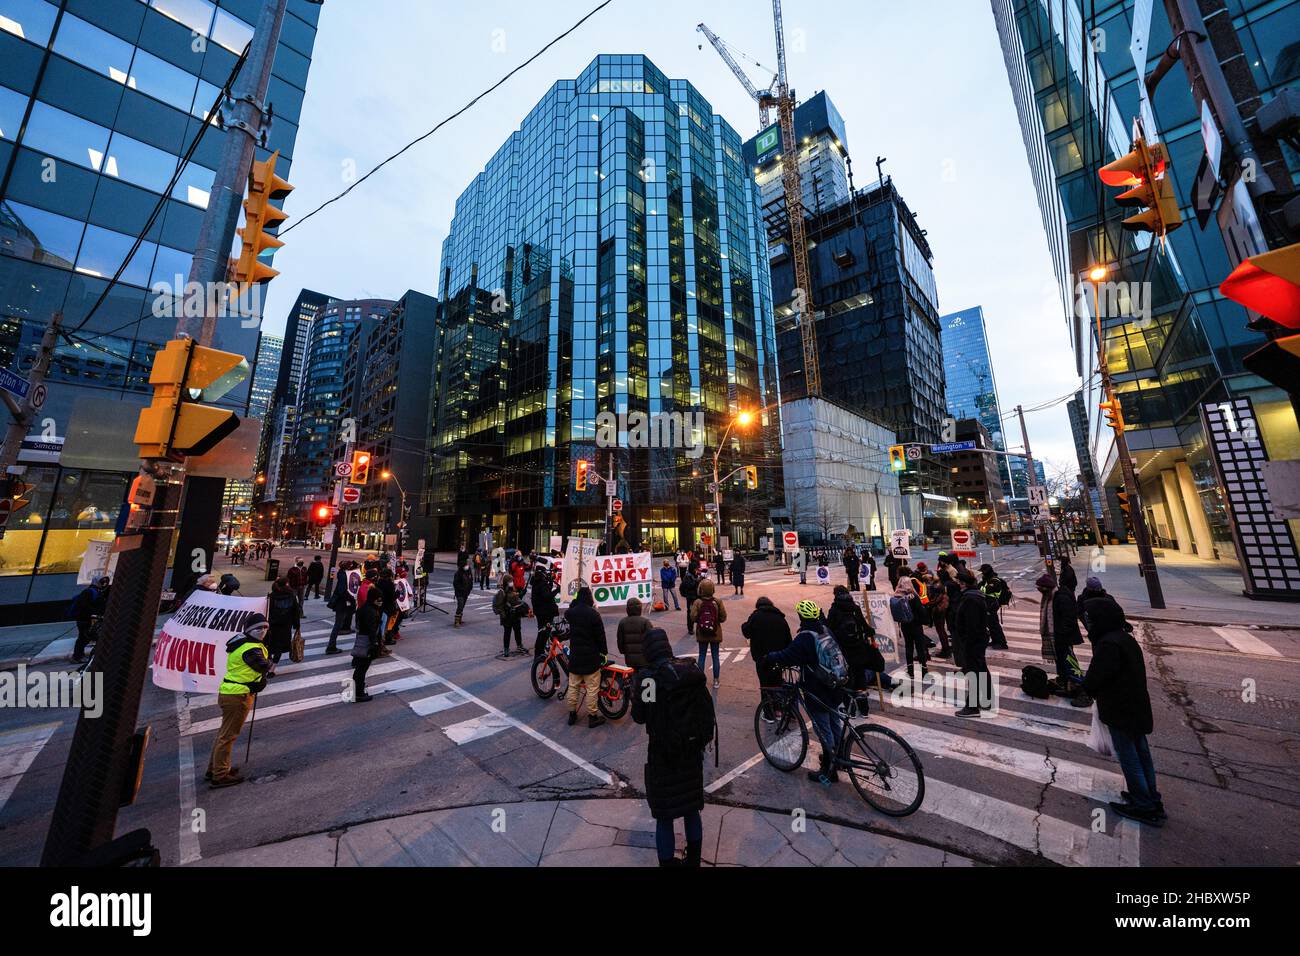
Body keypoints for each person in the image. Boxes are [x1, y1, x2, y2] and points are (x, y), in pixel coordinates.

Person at [1081, 596, 1164, 826]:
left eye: (1090, 618)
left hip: (1121, 708)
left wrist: (1086, 686)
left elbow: (1096, 677)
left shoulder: (1108, 644)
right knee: (1141, 753)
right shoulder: (1124, 639)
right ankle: (1150, 797)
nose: (1088, 622)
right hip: (1135, 705)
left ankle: (1144, 805)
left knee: (1129, 757)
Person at [632, 626, 708, 866]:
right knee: (691, 808)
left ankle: (667, 862)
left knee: (664, 815)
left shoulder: (649, 680)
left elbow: (640, 716)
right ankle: (693, 859)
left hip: (663, 754)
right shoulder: (689, 672)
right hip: (691, 751)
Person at [762, 600, 850, 786]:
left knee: (823, 729)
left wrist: (769, 657)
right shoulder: (825, 630)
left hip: (818, 689)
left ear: (802, 617)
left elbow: (787, 656)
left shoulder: (805, 637)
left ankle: (828, 770)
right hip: (836, 684)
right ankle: (840, 756)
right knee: (835, 722)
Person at [207, 613, 272, 788]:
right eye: (260, 628)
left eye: (266, 627)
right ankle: (219, 775)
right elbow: (263, 665)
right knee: (228, 736)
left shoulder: (241, 642)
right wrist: (270, 665)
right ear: (251, 629)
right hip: (239, 695)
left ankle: (215, 768)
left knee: (224, 733)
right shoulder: (250, 648)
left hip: (230, 692)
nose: (263, 631)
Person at [564, 587, 608, 727]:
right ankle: (592, 716)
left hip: (575, 657)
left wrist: (574, 603)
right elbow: (601, 636)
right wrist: (604, 652)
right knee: (592, 689)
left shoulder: (572, 613)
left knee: (573, 687)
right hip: (591, 658)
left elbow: (568, 612)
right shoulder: (594, 614)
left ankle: (572, 714)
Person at [953, 570, 992, 717]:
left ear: (964, 584)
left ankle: (972, 707)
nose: (958, 585)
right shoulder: (974, 596)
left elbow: (972, 625)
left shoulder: (970, 599)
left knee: (974, 672)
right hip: (977, 641)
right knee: (981, 669)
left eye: (959, 583)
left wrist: (967, 644)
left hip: (973, 642)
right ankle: (987, 700)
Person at [1051, 576, 1090, 706]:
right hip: (1061, 637)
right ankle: (1066, 683)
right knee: (1063, 661)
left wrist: (1061, 633)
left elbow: (1068, 618)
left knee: (1070, 663)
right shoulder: (1058, 596)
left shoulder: (1061, 598)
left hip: (1064, 637)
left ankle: (1082, 690)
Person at [741, 595, 792, 691]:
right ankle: (778, 703)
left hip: (761, 657)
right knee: (777, 683)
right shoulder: (780, 617)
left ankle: (767, 704)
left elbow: (746, 632)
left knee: (765, 685)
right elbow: (788, 639)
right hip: (778, 657)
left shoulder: (756, 616)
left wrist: (744, 624)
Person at [690, 577, 727, 688]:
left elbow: (692, 617)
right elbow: (723, 617)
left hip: (702, 632)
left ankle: (701, 680)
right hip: (715, 632)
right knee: (715, 656)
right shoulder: (718, 601)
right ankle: (716, 680)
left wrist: (701, 621)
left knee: (702, 656)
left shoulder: (698, 602)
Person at [891, 577, 928, 679]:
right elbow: (921, 611)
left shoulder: (897, 596)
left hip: (904, 625)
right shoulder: (913, 596)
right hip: (916, 624)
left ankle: (910, 671)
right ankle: (924, 670)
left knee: (909, 647)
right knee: (920, 647)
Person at [351, 588, 384, 702]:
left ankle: (358, 690)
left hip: (361, 639)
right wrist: (374, 643)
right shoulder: (370, 611)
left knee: (360, 668)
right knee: (362, 668)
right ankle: (358, 693)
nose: (380, 601)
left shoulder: (364, 608)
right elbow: (371, 629)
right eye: (378, 599)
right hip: (367, 642)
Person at [70, 576, 111, 663]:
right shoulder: (89, 592)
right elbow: (84, 605)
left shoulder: (98, 592)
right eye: (102, 581)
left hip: (88, 618)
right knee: (84, 637)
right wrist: (94, 613)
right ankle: (77, 657)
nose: (104, 584)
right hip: (84, 619)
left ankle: (79, 655)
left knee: (86, 637)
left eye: (105, 582)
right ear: (96, 582)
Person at [265, 576, 300, 673]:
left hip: (272, 624)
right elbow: (296, 612)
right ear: (286, 584)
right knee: (279, 647)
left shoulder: (272, 596)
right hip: (285, 625)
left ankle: (269, 661)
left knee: (269, 644)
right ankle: (272, 668)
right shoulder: (292, 596)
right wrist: (296, 625)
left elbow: (267, 610)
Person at [326, 561, 357, 654]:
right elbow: (342, 591)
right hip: (341, 604)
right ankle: (331, 647)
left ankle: (331, 646)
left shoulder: (342, 574)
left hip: (342, 603)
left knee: (338, 624)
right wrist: (352, 599)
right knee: (337, 625)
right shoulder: (343, 576)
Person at [978, 563, 1011, 649]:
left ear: (986, 572)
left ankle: (1002, 643)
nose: (982, 574)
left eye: (983, 572)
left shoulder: (994, 581)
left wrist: (980, 587)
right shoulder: (988, 580)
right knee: (990, 623)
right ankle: (995, 640)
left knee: (994, 624)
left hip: (992, 604)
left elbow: (986, 590)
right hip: (988, 603)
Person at [492, 580, 528, 659]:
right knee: (507, 633)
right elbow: (496, 606)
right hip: (507, 617)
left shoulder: (513, 590)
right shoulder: (501, 593)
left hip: (515, 615)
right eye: (510, 582)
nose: (512, 583)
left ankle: (519, 646)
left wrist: (521, 594)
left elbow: (517, 599)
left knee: (517, 631)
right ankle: (506, 649)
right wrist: (503, 614)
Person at [616, 596, 652, 669]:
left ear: (627, 609)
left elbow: (620, 641)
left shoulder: (622, 622)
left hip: (629, 658)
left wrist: (623, 651)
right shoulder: (645, 622)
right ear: (640, 609)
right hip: (644, 658)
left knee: (632, 677)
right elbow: (651, 640)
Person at [531, 563, 559, 633]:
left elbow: (544, 591)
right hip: (544, 612)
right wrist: (557, 590)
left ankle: (542, 643)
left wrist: (550, 583)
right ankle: (542, 643)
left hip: (539, 611)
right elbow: (547, 596)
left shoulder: (536, 582)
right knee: (544, 631)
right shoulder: (542, 583)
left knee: (541, 629)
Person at [376, 566, 401, 644]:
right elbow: (392, 597)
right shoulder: (389, 584)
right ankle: (383, 641)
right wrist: (398, 593)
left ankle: (381, 639)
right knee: (386, 625)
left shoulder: (378, 582)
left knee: (381, 625)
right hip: (387, 607)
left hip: (380, 606)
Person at [452, 560, 475, 628]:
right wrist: (461, 589)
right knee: (460, 605)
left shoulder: (468, 572)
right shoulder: (458, 573)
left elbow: (471, 580)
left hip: (466, 592)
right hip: (459, 593)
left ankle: (460, 619)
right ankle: (456, 621)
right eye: (466, 565)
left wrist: (470, 588)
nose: (467, 566)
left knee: (463, 605)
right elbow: (455, 584)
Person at [679, 565, 700, 634]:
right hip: (691, 598)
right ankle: (690, 628)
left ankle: (699, 627)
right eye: (696, 569)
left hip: (696, 597)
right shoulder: (688, 576)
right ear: (693, 569)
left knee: (698, 612)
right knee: (691, 613)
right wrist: (697, 581)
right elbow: (690, 585)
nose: (697, 570)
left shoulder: (694, 575)